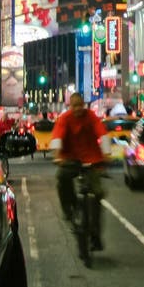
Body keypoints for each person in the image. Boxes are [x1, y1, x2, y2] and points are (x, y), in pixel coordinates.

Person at [49, 92, 111, 251]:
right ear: (70, 106)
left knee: (97, 195)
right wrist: (57, 156)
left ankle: (95, 235)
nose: (77, 109)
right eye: (74, 106)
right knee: (61, 178)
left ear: (84, 105)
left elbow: (102, 133)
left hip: (92, 159)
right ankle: (68, 209)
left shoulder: (91, 116)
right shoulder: (64, 119)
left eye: (80, 105)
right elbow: (57, 138)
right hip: (70, 159)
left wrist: (106, 153)